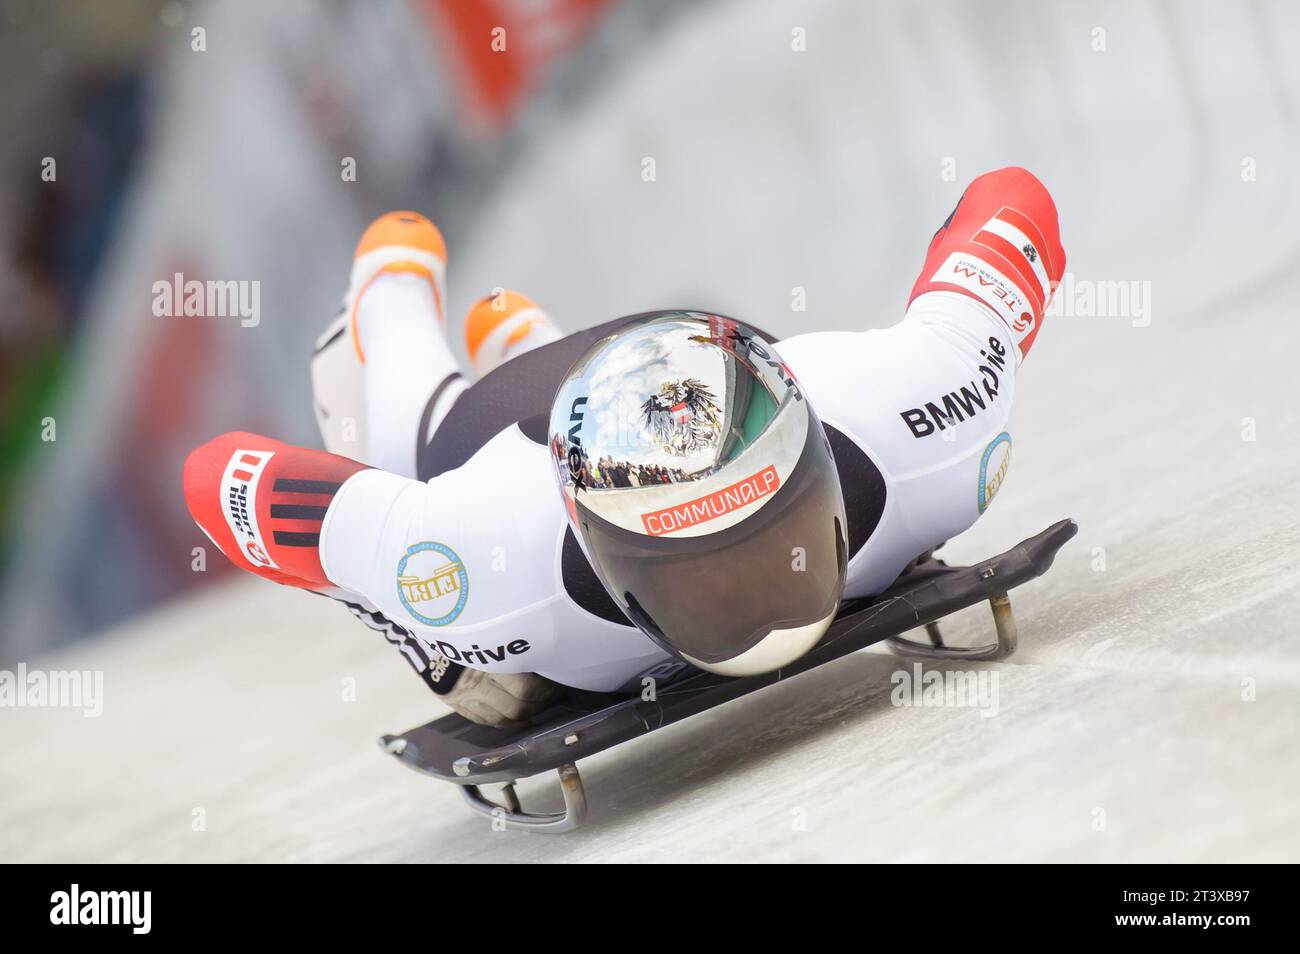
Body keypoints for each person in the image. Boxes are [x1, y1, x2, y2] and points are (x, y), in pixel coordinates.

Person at [183, 167, 1065, 727]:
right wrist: (418, 635)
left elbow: (1012, 204)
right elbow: (226, 482)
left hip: (684, 362)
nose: (754, 604)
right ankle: (391, 288)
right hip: (500, 425)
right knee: (396, 427)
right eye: (701, 575)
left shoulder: (930, 422)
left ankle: (521, 332)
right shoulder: (478, 560)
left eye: (776, 538)